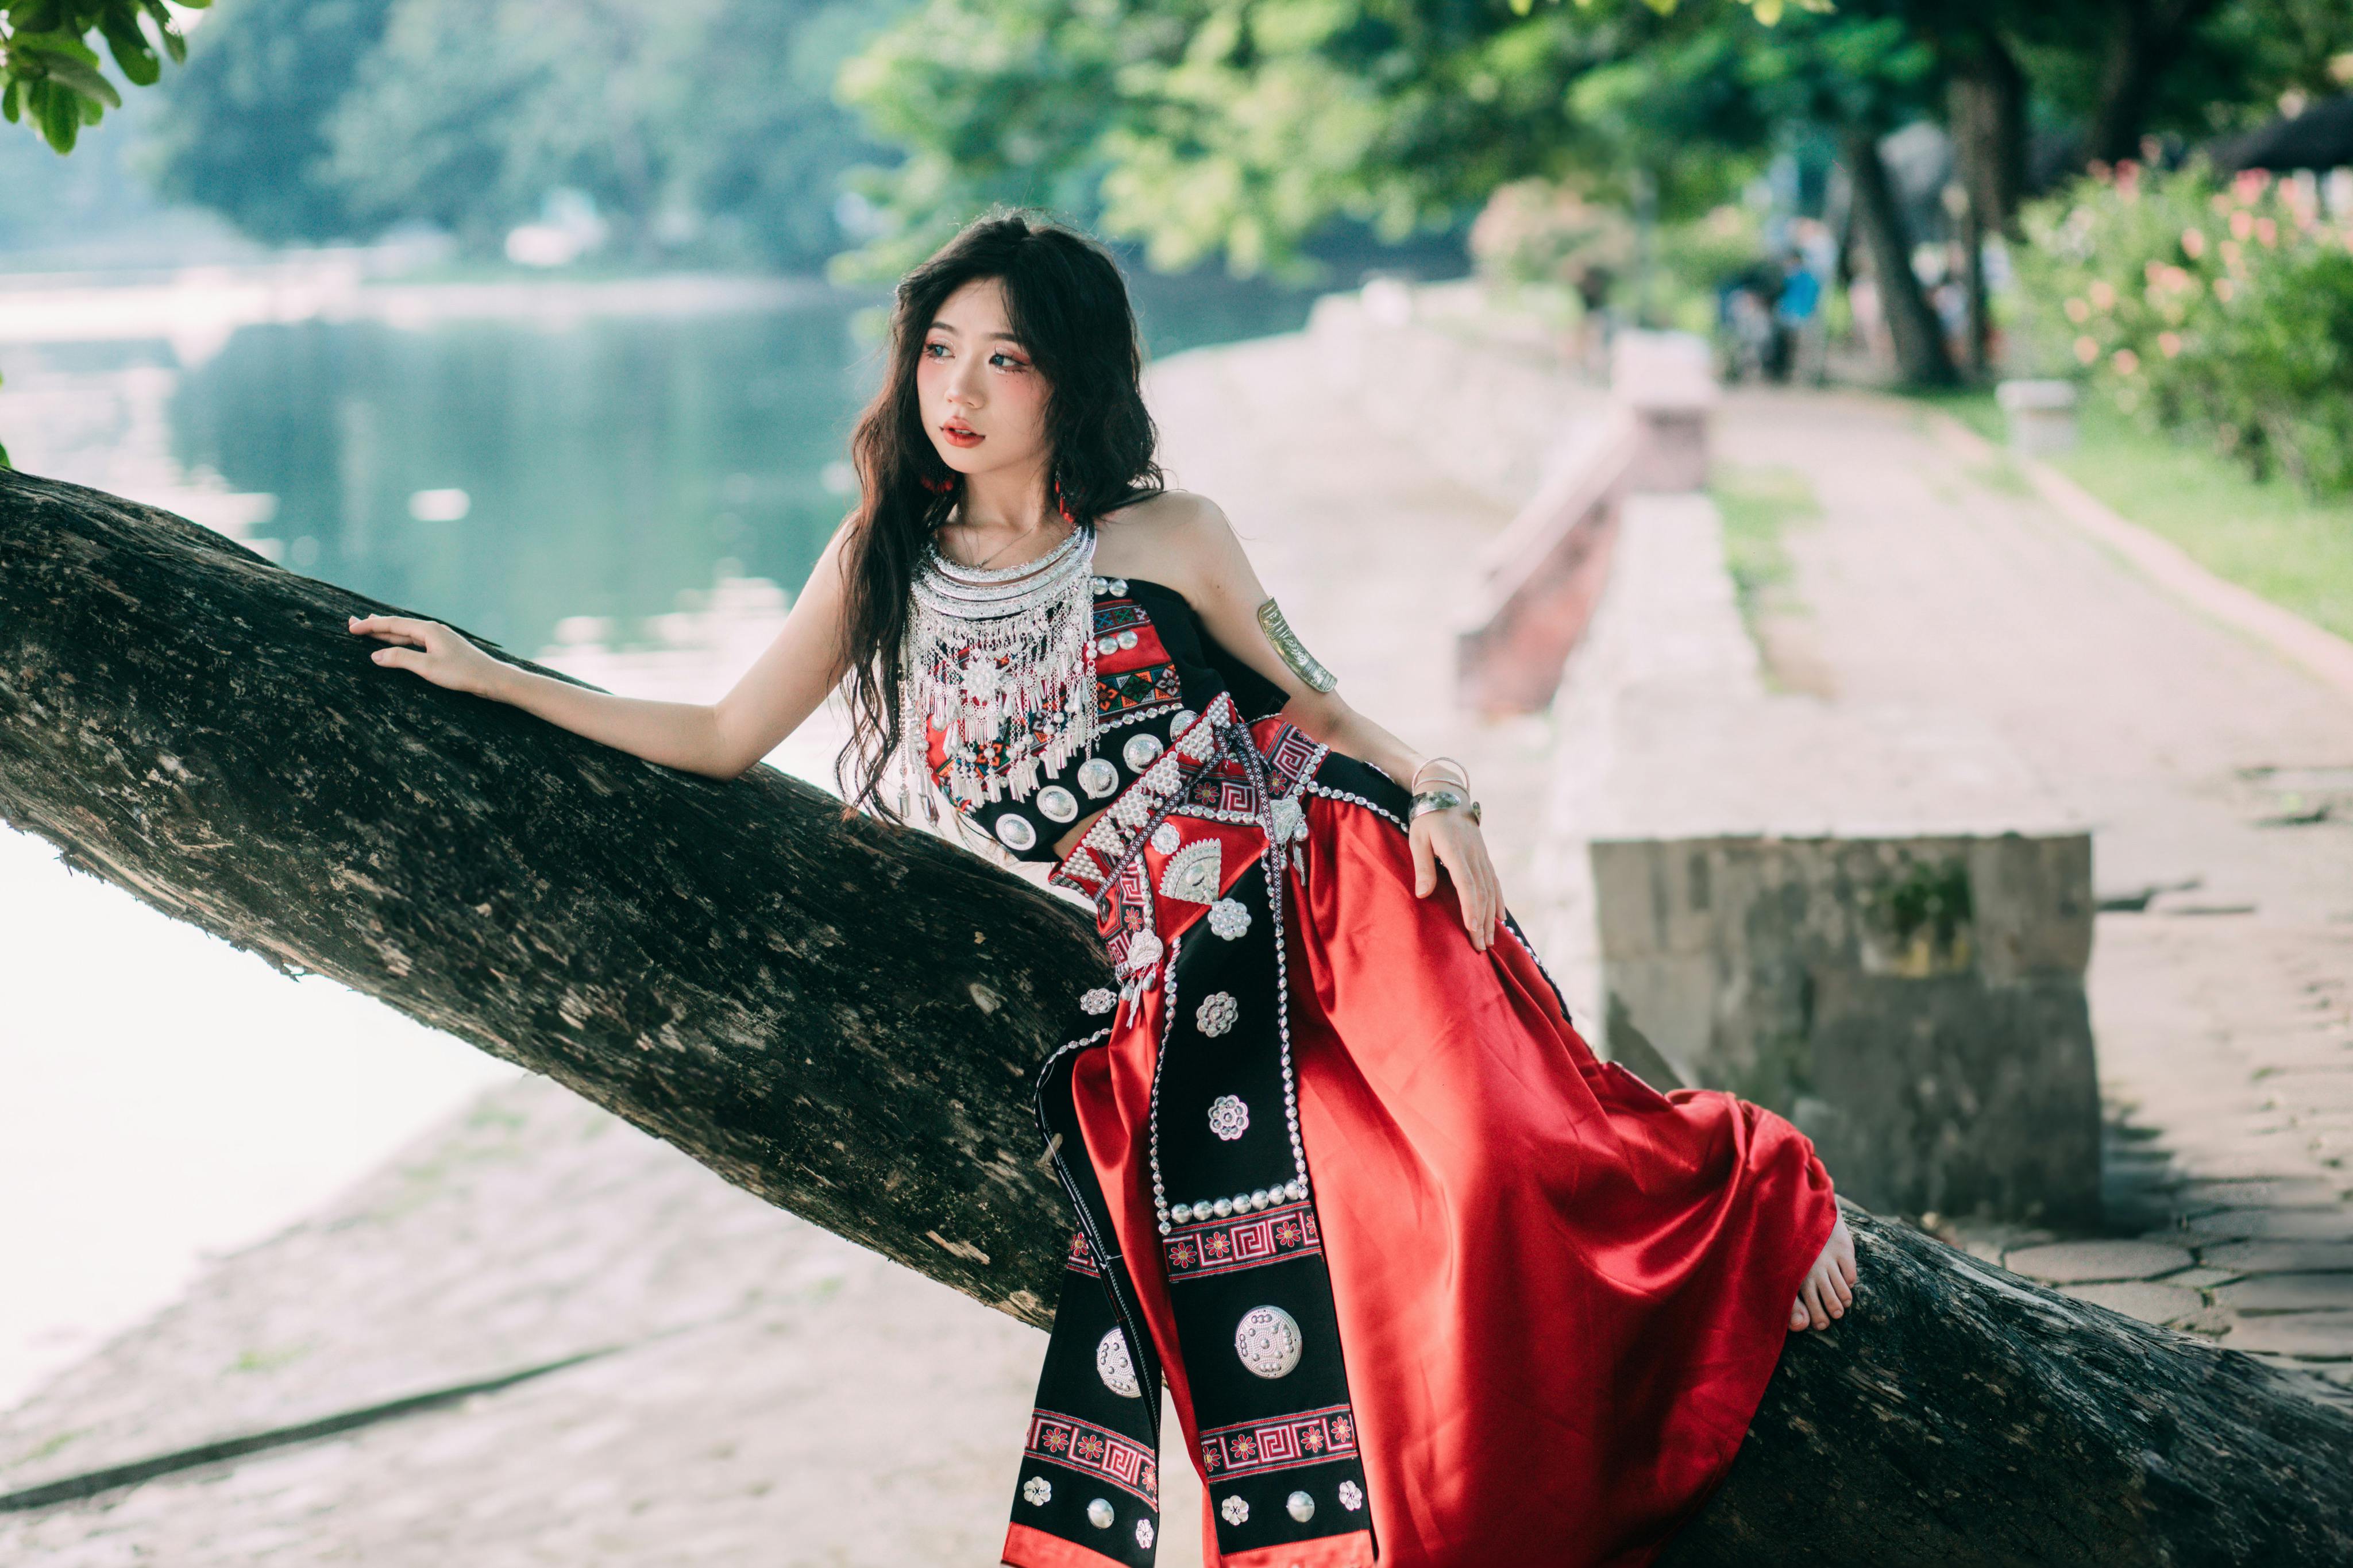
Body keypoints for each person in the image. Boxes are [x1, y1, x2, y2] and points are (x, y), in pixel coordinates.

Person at [350, 209, 1858, 1568]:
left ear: (1068, 379)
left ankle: (1761, 1181)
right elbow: (722, 734)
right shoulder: (885, 556)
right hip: (1169, 977)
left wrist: (1445, 792)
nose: (962, 387)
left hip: (1328, 875)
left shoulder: (1169, 537)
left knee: (1489, 1172)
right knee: (1366, 1284)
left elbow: (1326, 707)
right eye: (942, 349)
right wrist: (497, 679)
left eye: (1004, 358)